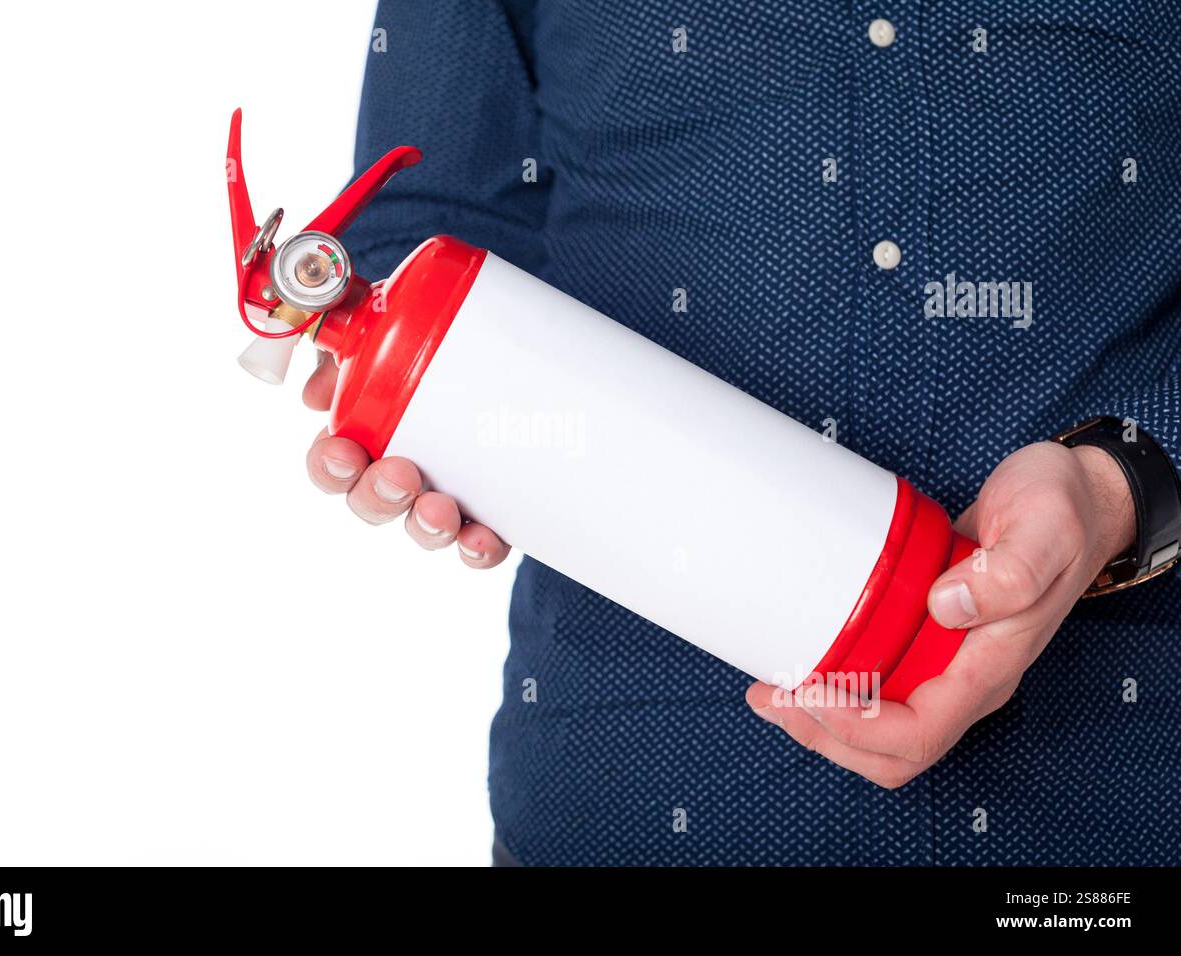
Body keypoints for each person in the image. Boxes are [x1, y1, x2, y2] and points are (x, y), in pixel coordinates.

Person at [303, 2, 1181, 865]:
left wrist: (1116, 489)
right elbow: (417, 220)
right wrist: (435, 397)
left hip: (1101, 797)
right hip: (632, 786)